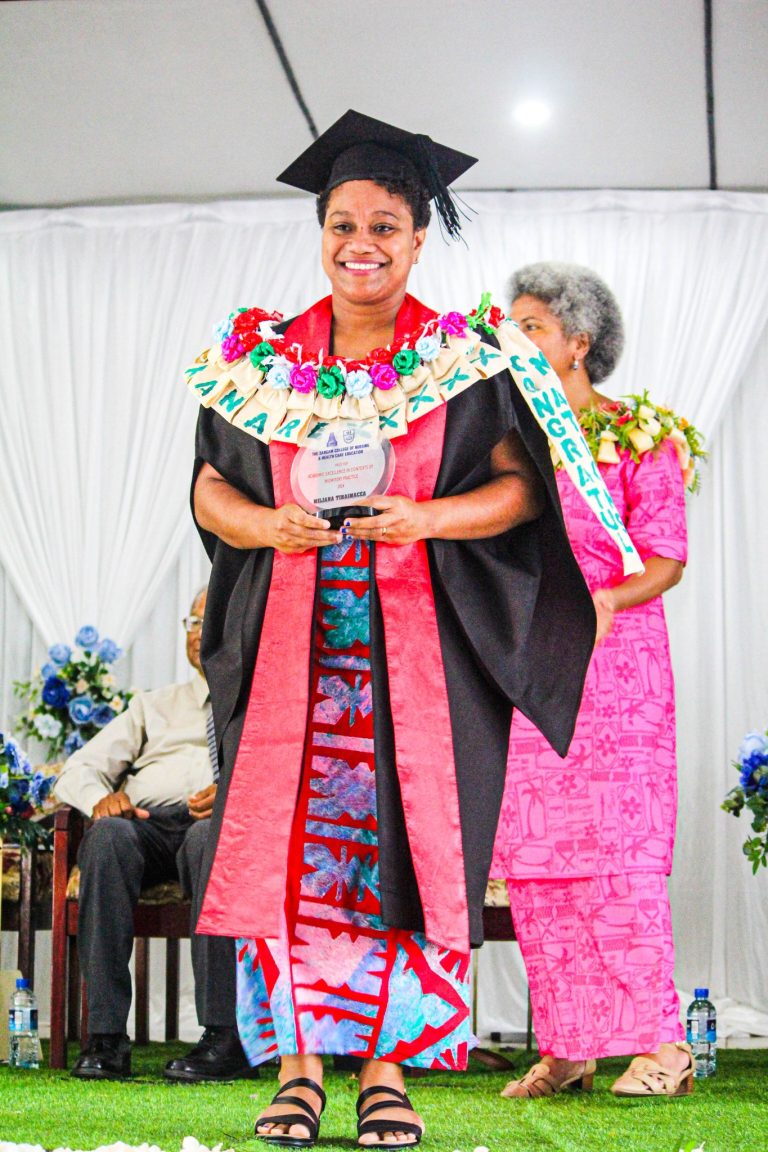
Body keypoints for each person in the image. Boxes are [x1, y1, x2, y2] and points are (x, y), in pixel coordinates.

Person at [189, 111, 595, 1147]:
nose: (359, 243)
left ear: (420, 238)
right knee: (292, 855)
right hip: (292, 659)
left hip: (419, 660)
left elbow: (516, 497)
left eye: (384, 224)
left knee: (404, 856)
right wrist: (269, 527)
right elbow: (208, 492)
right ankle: (295, 1069)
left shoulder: (463, 363)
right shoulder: (259, 363)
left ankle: (386, 1075)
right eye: (340, 223)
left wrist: (425, 519)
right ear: (319, 232)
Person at [491, 262, 693, 1099]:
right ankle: (568, 1046)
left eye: (532, 324)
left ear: (579, 342)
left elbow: (667, 557)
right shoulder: (513, 438)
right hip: (536, 670)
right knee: (541, 863)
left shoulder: (644, 433)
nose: (517, 337)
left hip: (621, 677)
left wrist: (607, 599)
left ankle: (663, 1047)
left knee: (621, 862)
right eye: (513, 324)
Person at [54, 587, 254, 1083]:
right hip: (148, 826)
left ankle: (222, 1037)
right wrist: (101, 800)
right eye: (192, 623)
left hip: (217, 829)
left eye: (212, 622)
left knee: (209, 839)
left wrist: (234, 793)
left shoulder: (259, 702)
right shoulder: (153, 706)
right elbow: (77, 770)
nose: (199, 633)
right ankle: (104, 1038)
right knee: (106, 837)